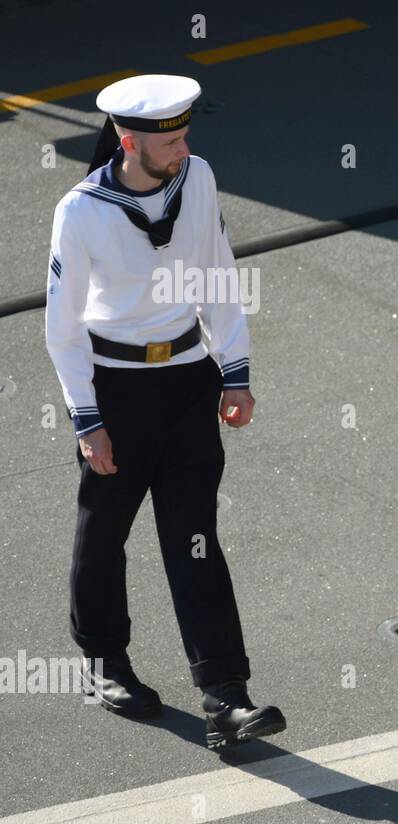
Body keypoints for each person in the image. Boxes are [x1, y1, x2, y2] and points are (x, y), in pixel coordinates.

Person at [44, 73, 284, 749]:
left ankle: (224, 695)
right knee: (105, 528)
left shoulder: (198, 177)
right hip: (116, 388)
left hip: (188, 381)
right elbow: (62, 329)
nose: (183, 149)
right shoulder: (81, 211)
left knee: (195, 535)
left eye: (184, 136)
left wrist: (233, 372)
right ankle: (103, 660)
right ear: (129, 141)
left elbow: (217, 272)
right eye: (170, 140)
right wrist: (87, 420)